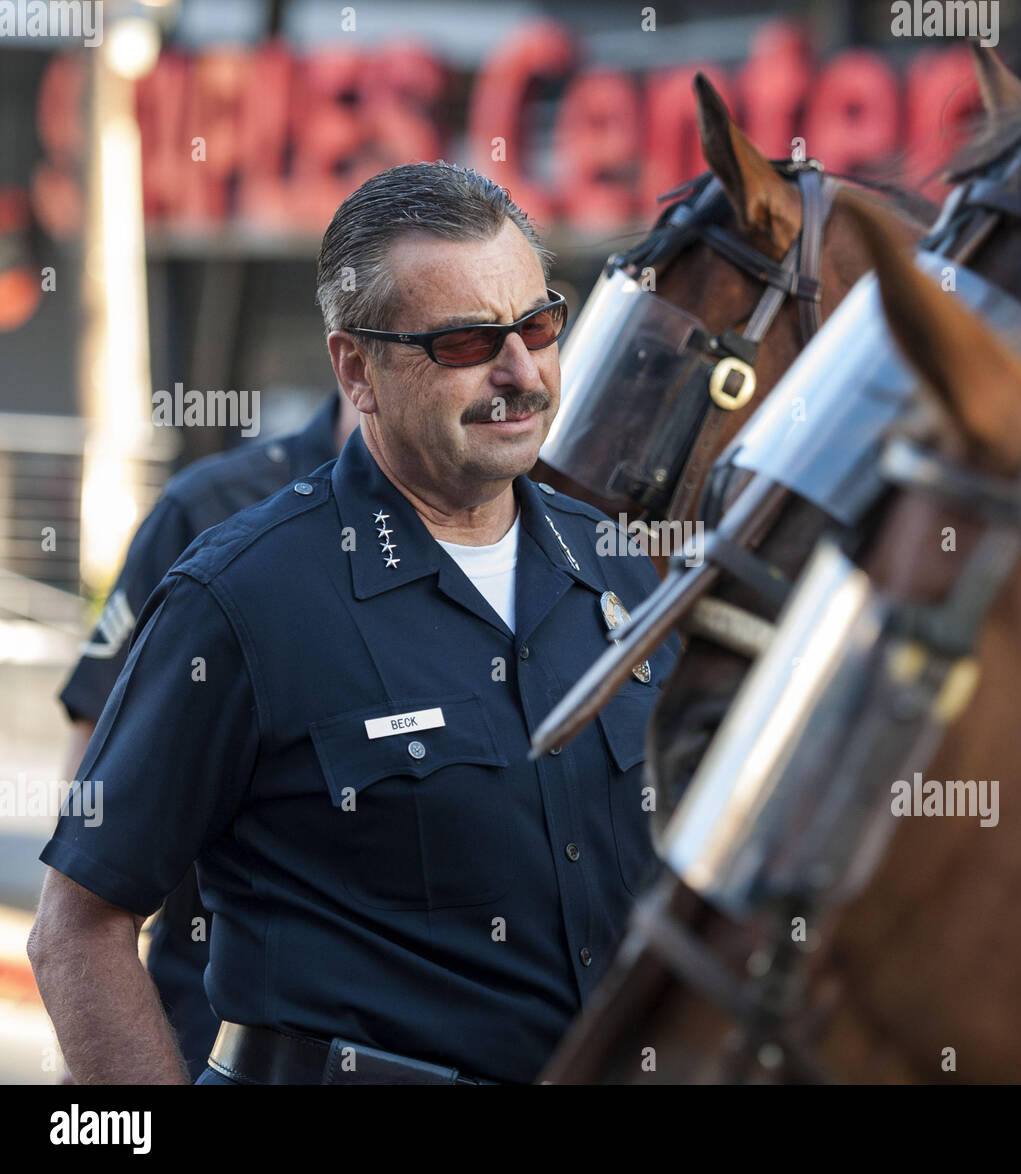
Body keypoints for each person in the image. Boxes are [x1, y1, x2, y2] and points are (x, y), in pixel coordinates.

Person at [28, 161, 679, 1085]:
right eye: (464, 342)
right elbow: (79, 925)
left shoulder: (613, 561)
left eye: (537, 326)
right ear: (356, 371)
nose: (520, 372)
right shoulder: (245, 594)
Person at [55, 389, 357, 1082]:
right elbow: (93, 794)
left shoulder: (532, 525)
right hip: (206, 1021)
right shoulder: (211, 509)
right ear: (355, 359)